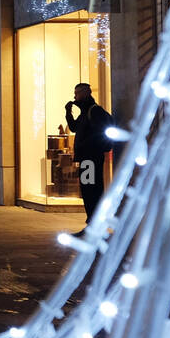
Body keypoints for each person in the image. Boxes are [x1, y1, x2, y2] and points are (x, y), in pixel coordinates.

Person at [65, 83, 113, 233]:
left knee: (91, 190)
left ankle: (94, 225)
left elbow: (98, 134)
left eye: (77, 93)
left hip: (90, 159)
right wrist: (68, 113)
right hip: (87, 159)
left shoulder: (94, 111)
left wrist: (86, 146)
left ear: (86, 93)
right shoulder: (85, 111)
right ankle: (92, 224)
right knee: (88, 190)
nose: (75, 97)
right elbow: (74, 127)